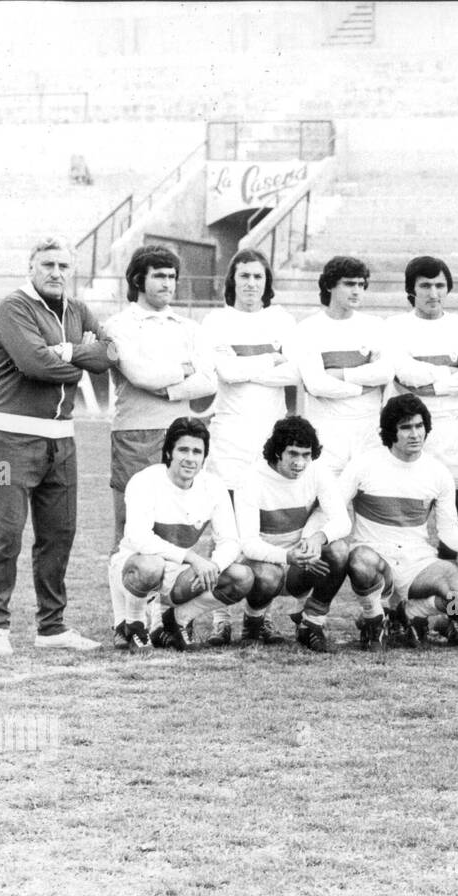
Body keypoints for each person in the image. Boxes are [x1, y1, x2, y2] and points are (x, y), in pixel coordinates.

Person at [0, 235, 115, 655]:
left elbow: (108, 353)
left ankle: (52, 626)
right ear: (31, 268)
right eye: (47, 266)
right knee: (5, 533)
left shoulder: (76, 309)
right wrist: (78, 355)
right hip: (13, 437)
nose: (56, 273)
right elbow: (35, 364)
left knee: (59, 535)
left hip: (62, 440)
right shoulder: (14, 307)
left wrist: (66, 351)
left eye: (62, 266)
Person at [103, 244, 217, 645]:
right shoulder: (118, 325)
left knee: (174, 527)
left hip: (181, 432)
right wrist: (182, 371)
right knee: (130, 530)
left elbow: (209, 380)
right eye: (159, 276)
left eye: (172, 276)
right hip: (134, 433)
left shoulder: (189, 328)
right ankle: (124, 622)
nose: (168, 284)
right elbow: (136, 374)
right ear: (139, 280)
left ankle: (154, 620)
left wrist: (166, 387)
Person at [200, 248, 301, 645]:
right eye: (244, 276)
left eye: (258, 277)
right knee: (225, 532)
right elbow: (225, 371)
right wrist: (270, 361)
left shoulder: (281, 320)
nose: (251, 284)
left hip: (268, 444)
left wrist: (256, 368)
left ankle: (258, 616)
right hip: (229, 439)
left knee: (265, 533)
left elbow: (295, 373)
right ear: (232, 280)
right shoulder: (216, 321)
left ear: (267, 282)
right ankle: (220, 616)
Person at [340, 394, 458, 649]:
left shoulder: (438, 473)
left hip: (417, 563)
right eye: (405, 427)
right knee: (360, 560)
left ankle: (415, 611)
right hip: (376, 561)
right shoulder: (363, 465)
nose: (415, 434)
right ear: (390, 431)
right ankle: (375, 616)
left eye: (419, 426)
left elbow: (448, 531)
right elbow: (335, 511)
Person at [108, 418, 253, 651]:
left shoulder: (213, 487)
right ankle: (134, 623)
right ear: (168, 452)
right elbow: (138, 537)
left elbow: (230, 541)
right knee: (151, 565)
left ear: (204, 457)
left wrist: (214, 565)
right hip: (134, 570)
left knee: (241, 576)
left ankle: (178, 620)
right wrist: (193, 558)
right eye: (183, 449)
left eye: (197, 452)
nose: (190, 458)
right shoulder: (145, 481)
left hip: (176, 573)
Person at [291, 256, 435, 476]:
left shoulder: (375, 326)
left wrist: (340, 374)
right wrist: (364, 385)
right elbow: (317, 385)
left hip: (368, 429)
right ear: (329, 285)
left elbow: (385, 372)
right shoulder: (307, 329)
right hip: (326, 430)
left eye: (360, 284)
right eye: (349, 284)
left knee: (369, 498)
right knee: (327, 500)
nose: (357, 290)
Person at [234, 416, 351, 653]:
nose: (300, 462)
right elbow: (248, 544)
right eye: (293, 454)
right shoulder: (251, 478)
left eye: (306, 454)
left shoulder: (318, 471)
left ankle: (312, 623)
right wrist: (288, 556)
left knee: (339, 550)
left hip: (301, 565)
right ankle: (253, 621)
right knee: (269, 574)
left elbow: (342, 520)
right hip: (265, 566)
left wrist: (316, 539)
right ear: (278, 451)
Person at [381, 255, 458, 484]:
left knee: (453, 502)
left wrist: (427, 388)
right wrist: (453, 371)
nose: (433, 293)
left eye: (440, 285)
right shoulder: (395, 326)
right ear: (411, 289)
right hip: (411, 431)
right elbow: (404, 373)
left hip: (454, 431)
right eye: (425, 285)